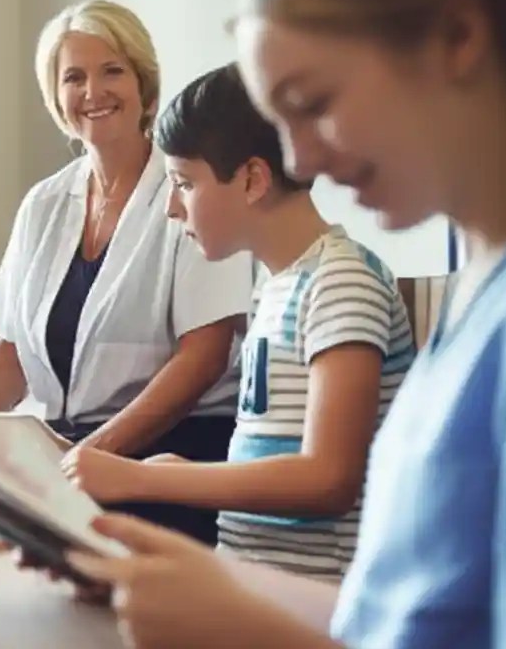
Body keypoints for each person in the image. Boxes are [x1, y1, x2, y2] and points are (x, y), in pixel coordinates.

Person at [36, 0, 506, 647]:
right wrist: (174, 580)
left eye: (314, 100)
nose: (301, 159)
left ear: (457, 38)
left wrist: (250, 620)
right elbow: (394, 618)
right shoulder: (476, 298)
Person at [62, 62, 414, 580]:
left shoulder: (341, 282)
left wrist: (149, 480)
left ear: (252, 179)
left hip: (317, 601)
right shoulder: (276, 289)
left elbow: (328, 478)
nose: (172, 210)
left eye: (183, 184)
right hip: (252, 584)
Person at [0, 0, 254, 544]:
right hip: (64, 448)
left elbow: (204, 356)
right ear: (57, 97)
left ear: (144, 85)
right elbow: (9, 351)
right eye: (74, 77)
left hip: (171, 450)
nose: (93, 92)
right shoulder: (43, 203)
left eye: (112, 71)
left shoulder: (194, 188)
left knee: (36, 545)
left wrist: (90, 458)